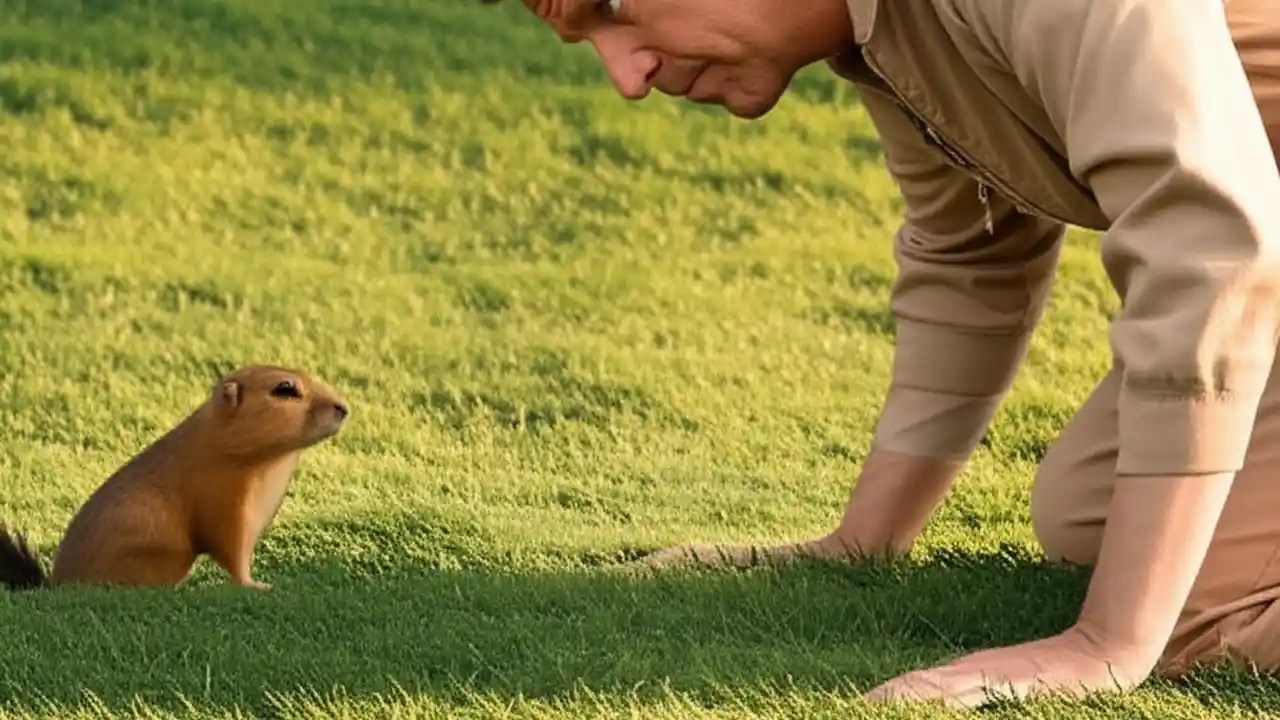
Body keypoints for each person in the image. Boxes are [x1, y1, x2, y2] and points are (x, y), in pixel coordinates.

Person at [479, 0, 1280, 708]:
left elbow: (1208, 243)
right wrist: (862, 540)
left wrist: (1108, 642)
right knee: (1090, 507)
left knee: (1201, 604)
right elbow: (973, 250)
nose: (627, 74)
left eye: (614, 5)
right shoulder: (879, 29)